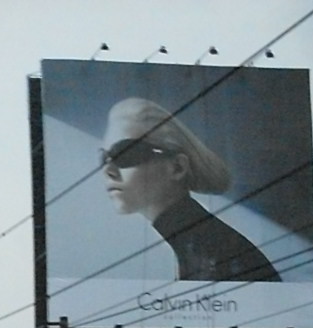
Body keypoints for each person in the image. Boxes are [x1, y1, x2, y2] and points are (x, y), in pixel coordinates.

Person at [100, 97, 280, 283]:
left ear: (177, 167)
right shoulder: (195, 244)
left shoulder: (213, 254)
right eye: (103, 157)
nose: (108, 171)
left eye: (125, 153)